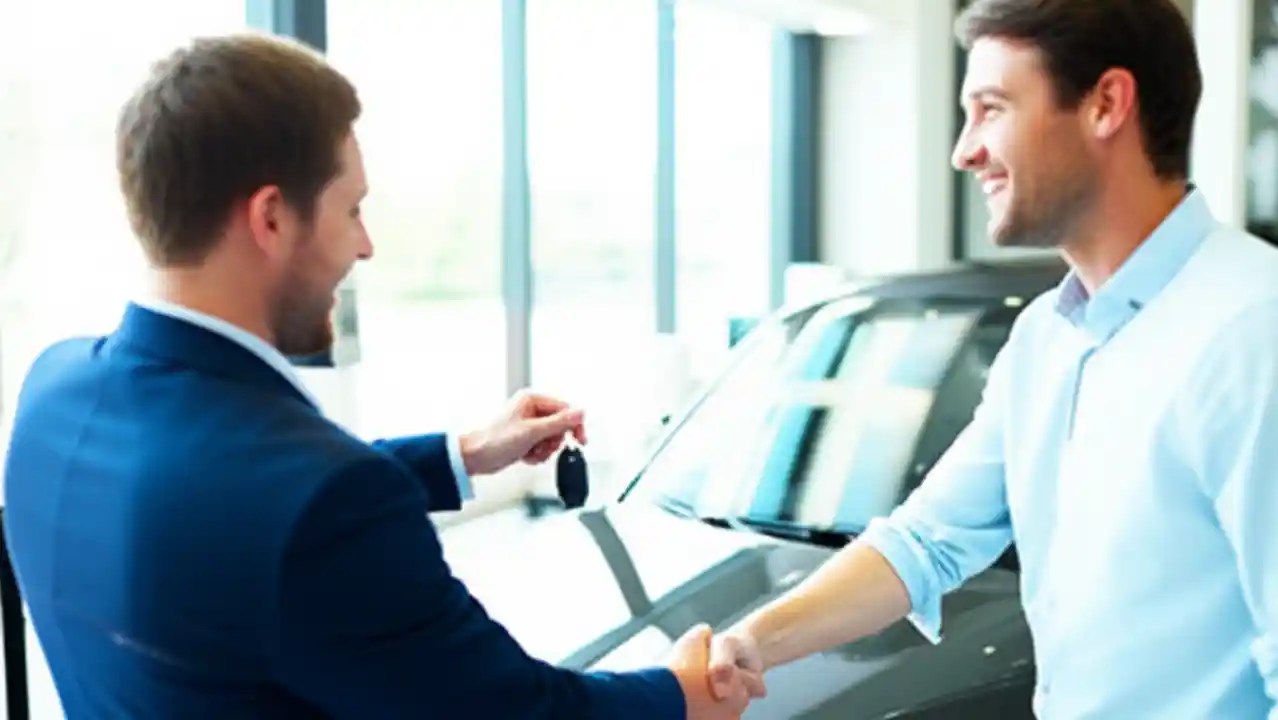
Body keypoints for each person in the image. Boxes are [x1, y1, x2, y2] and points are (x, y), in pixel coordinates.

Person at [1, 33, 752, 720]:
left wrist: (461, 453)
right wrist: (679, 697)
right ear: (269, 218)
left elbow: (225, 510)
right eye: (352, 208)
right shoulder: (321, 503)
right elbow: (512, 712)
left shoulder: (54, 391)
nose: (365, 246)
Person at [704, 0, 1278, 717]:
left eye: (991, 108)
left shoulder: (1256, 330)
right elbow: (924, 543)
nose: (964, 150)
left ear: (1106, 103)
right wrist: (751, 642)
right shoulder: (1046, 338)